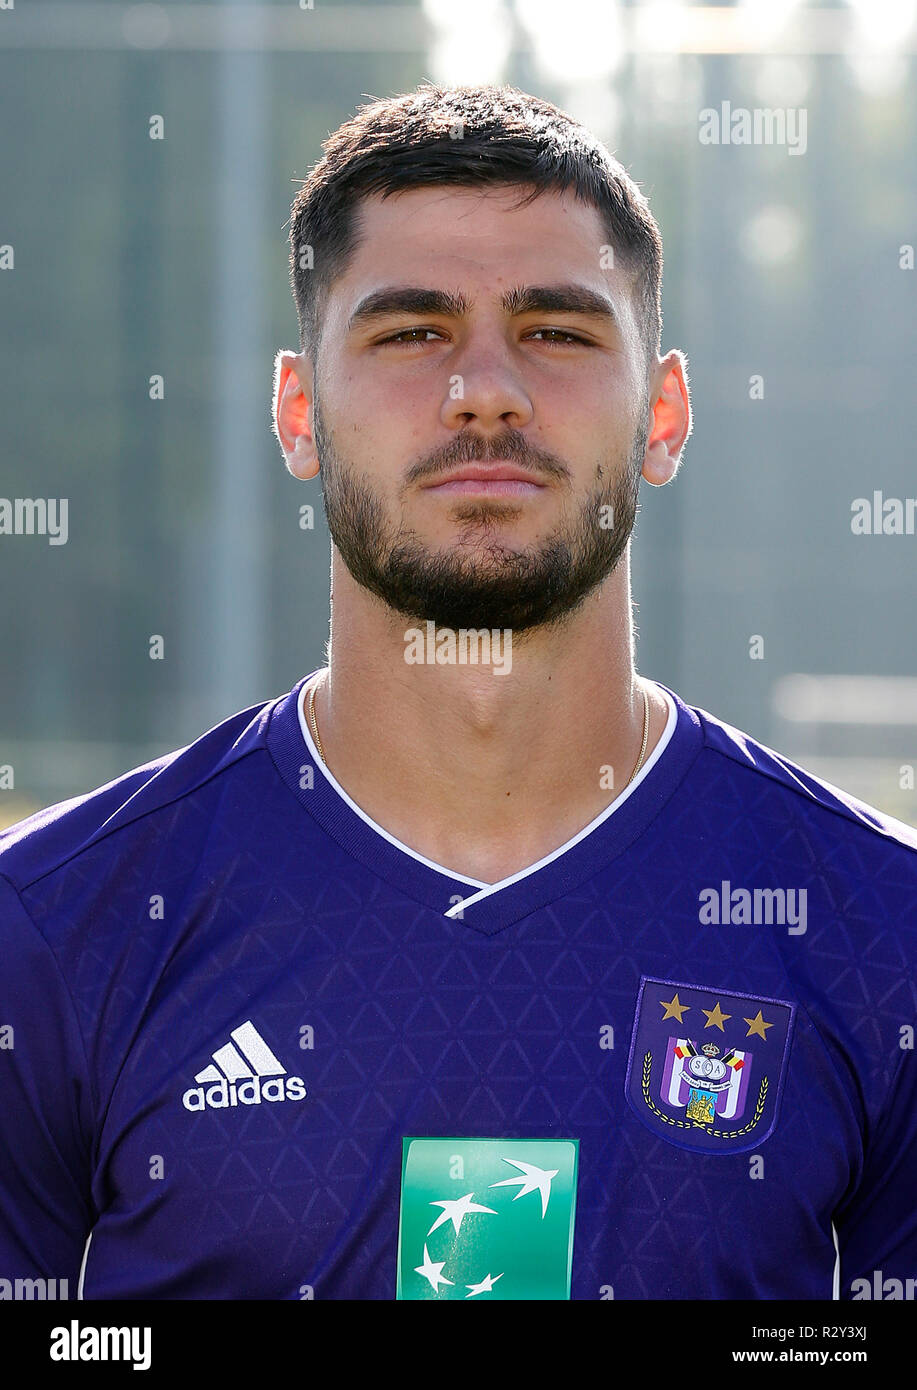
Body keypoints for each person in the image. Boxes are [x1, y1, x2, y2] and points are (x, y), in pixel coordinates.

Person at [0, 83, 914, 1302]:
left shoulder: (877, 928)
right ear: (297, 412)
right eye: (410, 331)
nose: (484, 389)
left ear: (664, 412)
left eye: (557, 330)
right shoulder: (55, 930)